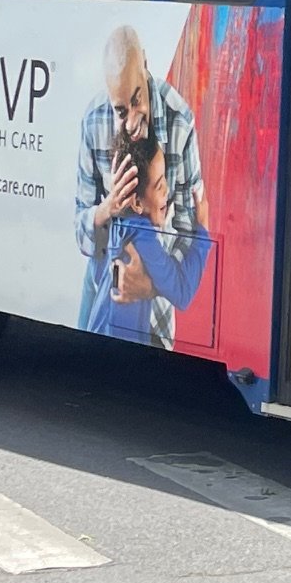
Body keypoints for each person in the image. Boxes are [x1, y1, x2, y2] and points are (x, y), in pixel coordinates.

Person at [75, 25, 208, 346]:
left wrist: (147, 284)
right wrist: (107, 208)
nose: (133, 121)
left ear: (145, 65)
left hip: (149, 311)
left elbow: (184, 228)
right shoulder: (93, 121)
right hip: (103, 298)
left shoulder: (179, 120)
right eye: (121, 111)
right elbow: (81, 232)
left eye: (137, 101)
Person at [85, 129, 211, 343]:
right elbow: (182, 293)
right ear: (136, 202)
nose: (167, 191)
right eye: (159, 186)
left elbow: (98, 274)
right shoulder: (142, 234)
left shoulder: (115, 223)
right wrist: (203, 232)